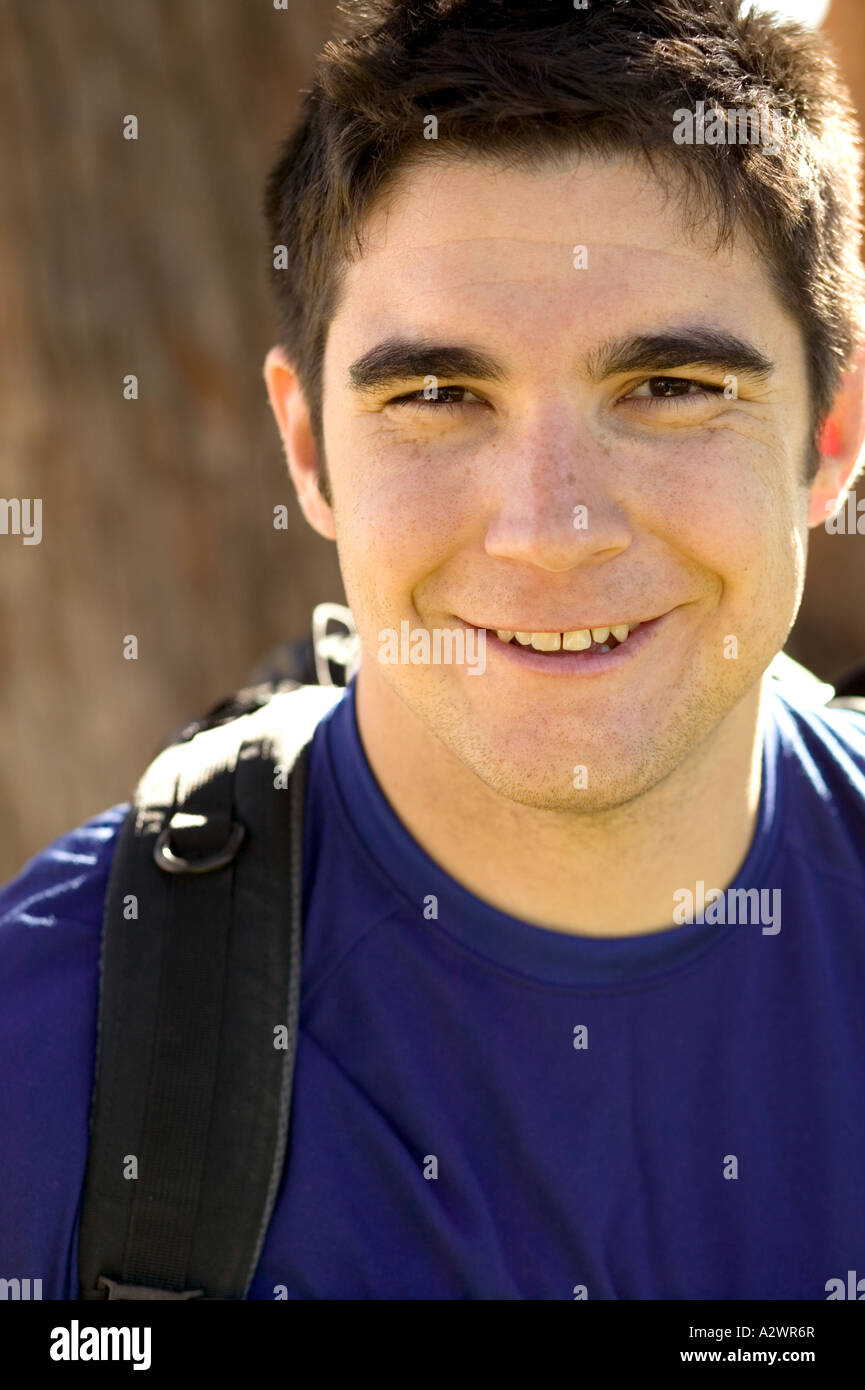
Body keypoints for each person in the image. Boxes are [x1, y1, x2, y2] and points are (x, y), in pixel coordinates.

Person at [3, 0, 865, 1301]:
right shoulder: (52, 1030)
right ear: (307, 448)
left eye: (669, 387)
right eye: (438, 395)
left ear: (833, 435)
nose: (550, 531)